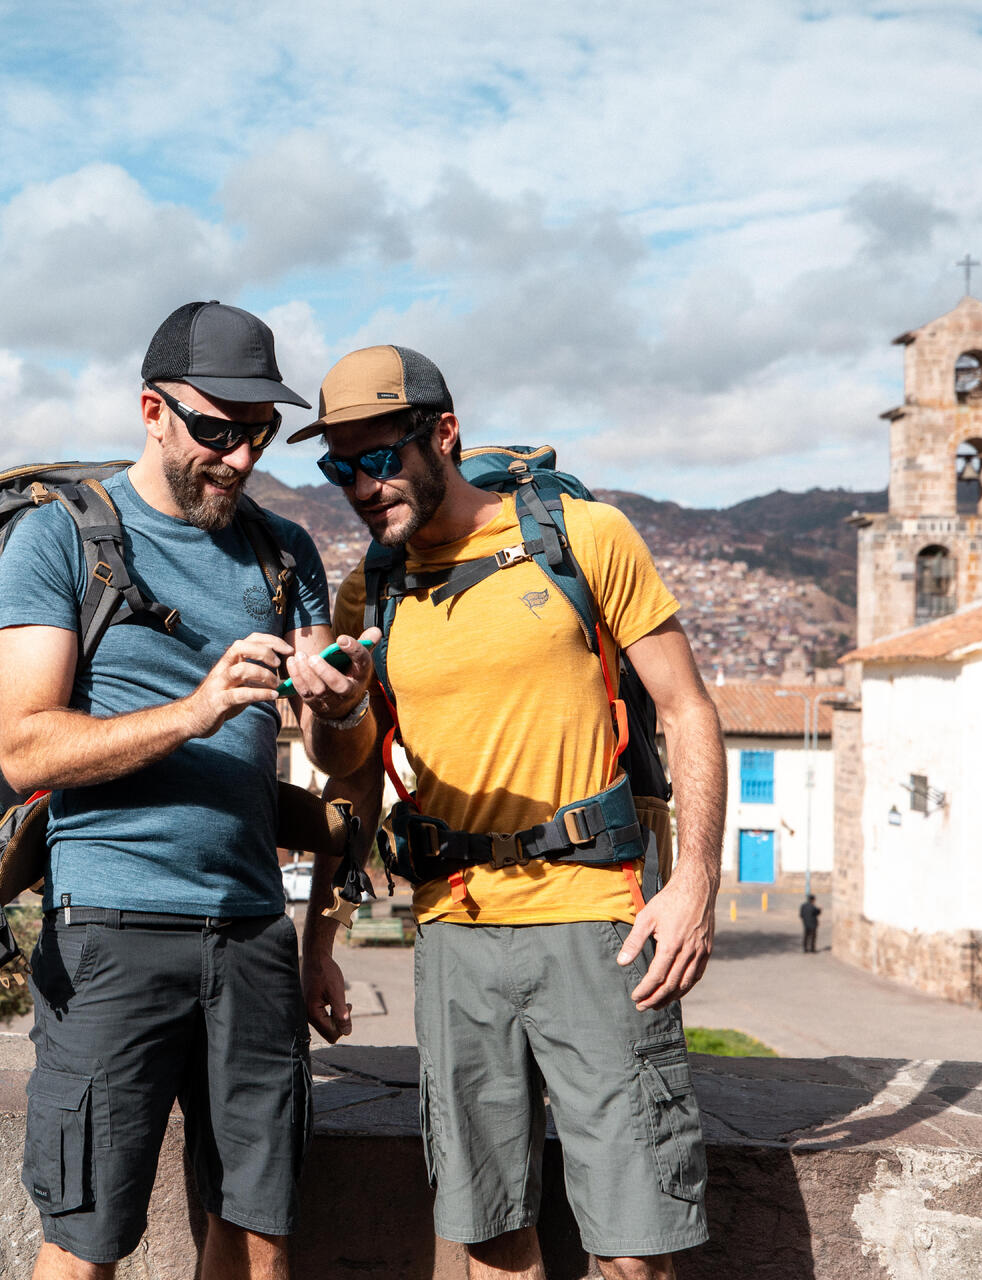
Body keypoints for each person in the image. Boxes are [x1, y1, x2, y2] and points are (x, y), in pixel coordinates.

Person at [294, 345, 727, 1280]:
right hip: (454, 931)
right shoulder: (370, 590)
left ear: (442, 433)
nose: (363, 487)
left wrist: (693, 882)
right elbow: (353, 776)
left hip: (598, 918)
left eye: (380, 458)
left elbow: (690, 707)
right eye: (341, 468)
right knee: (486, 1238)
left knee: (636, 1246)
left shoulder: (584, 535)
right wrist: (319, 935)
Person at [0, 301, 376, 1280]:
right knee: (85, 1241)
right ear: (153, 409)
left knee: (260, 1235)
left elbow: (338, 765)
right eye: (218, 430)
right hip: (110, 930)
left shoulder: (285, 552)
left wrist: (341, 702)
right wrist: (194, 709)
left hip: (252, 931)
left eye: (258, 433)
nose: (241, 457)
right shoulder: (59, 540)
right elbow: (25, 746)